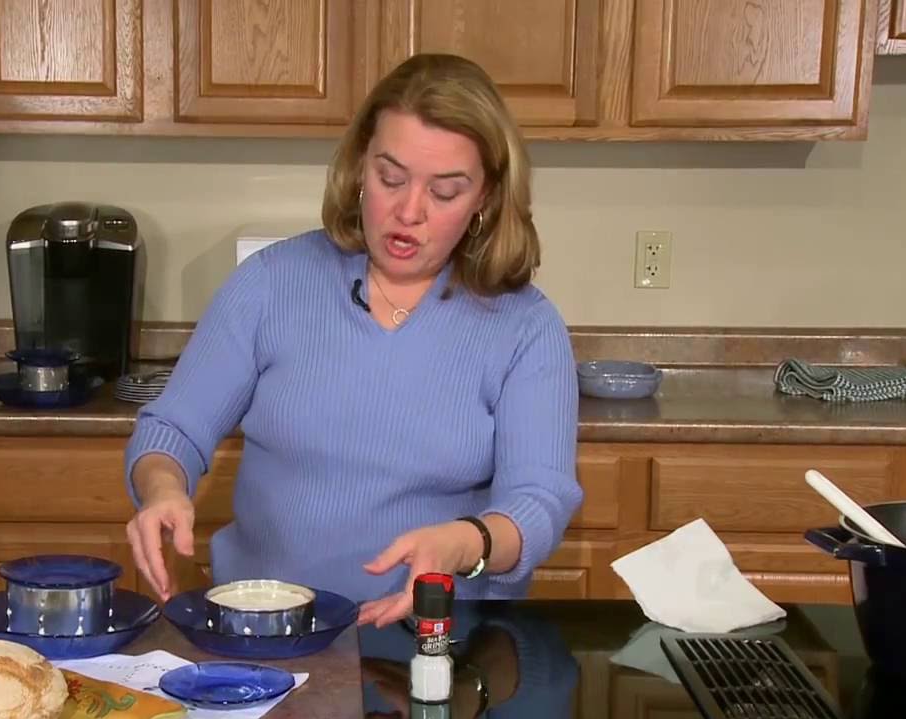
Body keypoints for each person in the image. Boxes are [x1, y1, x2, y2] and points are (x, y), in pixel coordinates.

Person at [123, 52, 582, 629]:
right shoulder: (270, 284)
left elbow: (538, 501)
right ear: (360, 166)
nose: (408, 211)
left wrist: (468, 542)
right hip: (267, 632)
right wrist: (163, 489)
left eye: (445, 192)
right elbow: (173, 429)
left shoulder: (526, 328)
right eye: (391, 178)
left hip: (439, 638)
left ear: (485, 199)